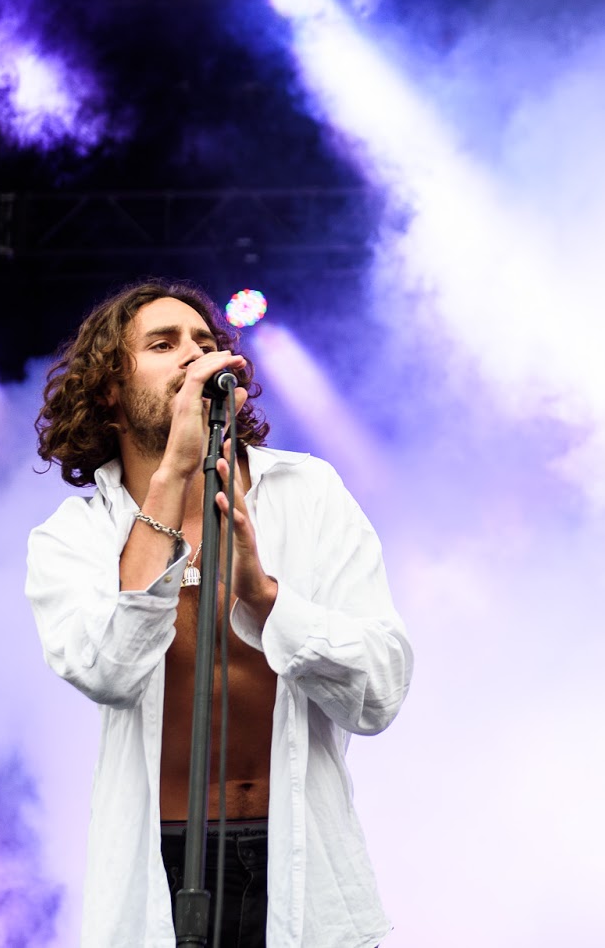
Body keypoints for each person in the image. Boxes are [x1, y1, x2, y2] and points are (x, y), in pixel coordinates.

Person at [25, 280, 412, 948]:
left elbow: (379, 692)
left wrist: (264, 598)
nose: (194, 356)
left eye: (206, 343)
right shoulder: (73, 538)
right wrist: (175, 472)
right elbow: (107, 670)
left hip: (303, 865)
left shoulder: (307, 493)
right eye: (163, 344)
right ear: (109, 390)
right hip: (161, 871)